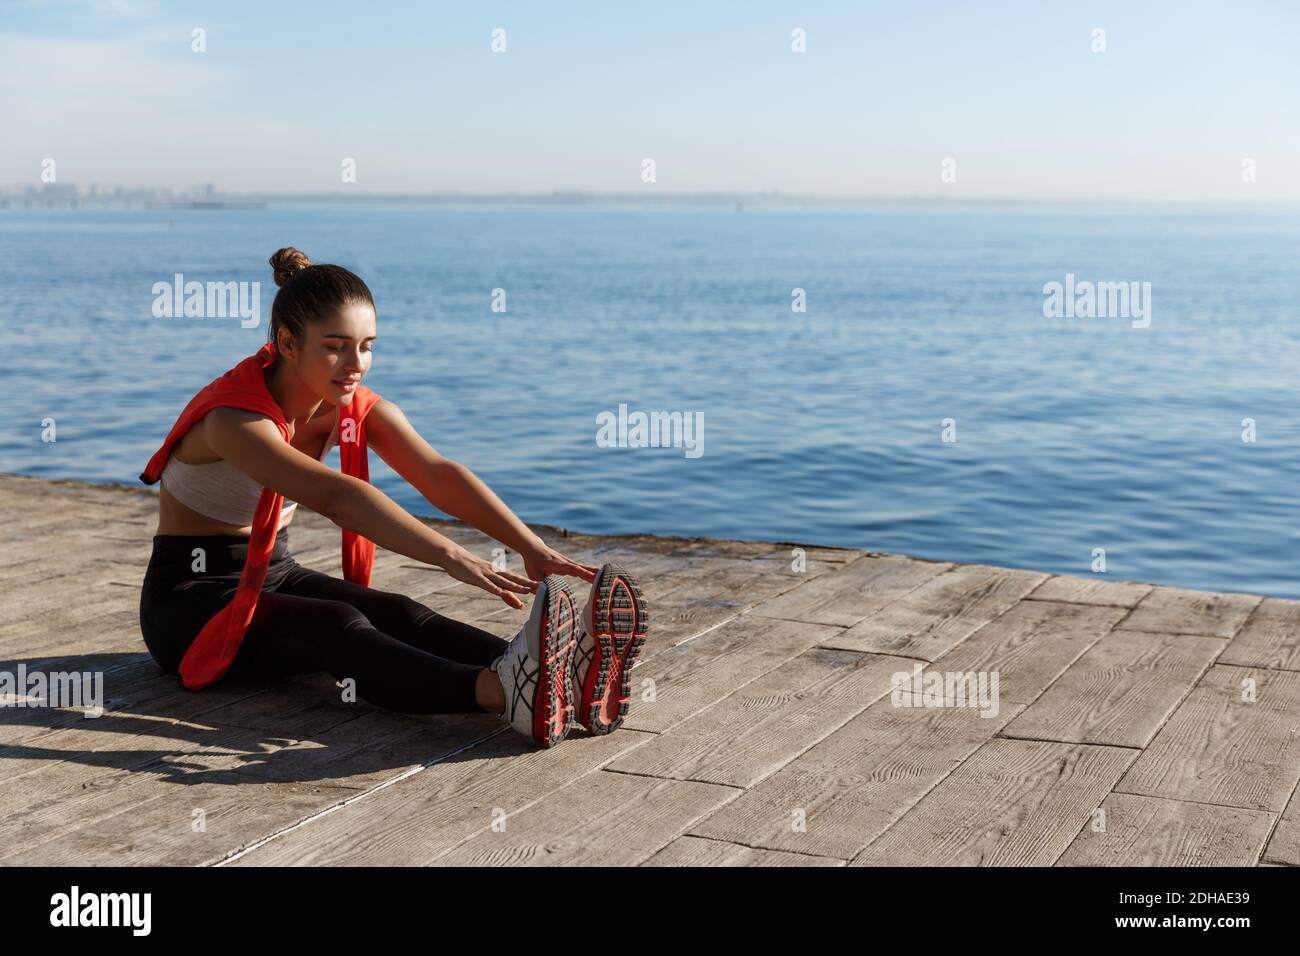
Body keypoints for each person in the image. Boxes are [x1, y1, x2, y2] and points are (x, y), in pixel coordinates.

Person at [137, 247, 647, 747]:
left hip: (275, 570)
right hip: (192, 602)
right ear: (289, 343)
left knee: (398, 612)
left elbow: (438, 473)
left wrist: (529, 546)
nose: (356, 363)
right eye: (335, 345)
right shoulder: (234, 420)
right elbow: (335, 496)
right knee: (338, 625)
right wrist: (450, 554)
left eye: (368, 345)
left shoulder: (348, 404)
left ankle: (559, 675)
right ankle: (503, 692)